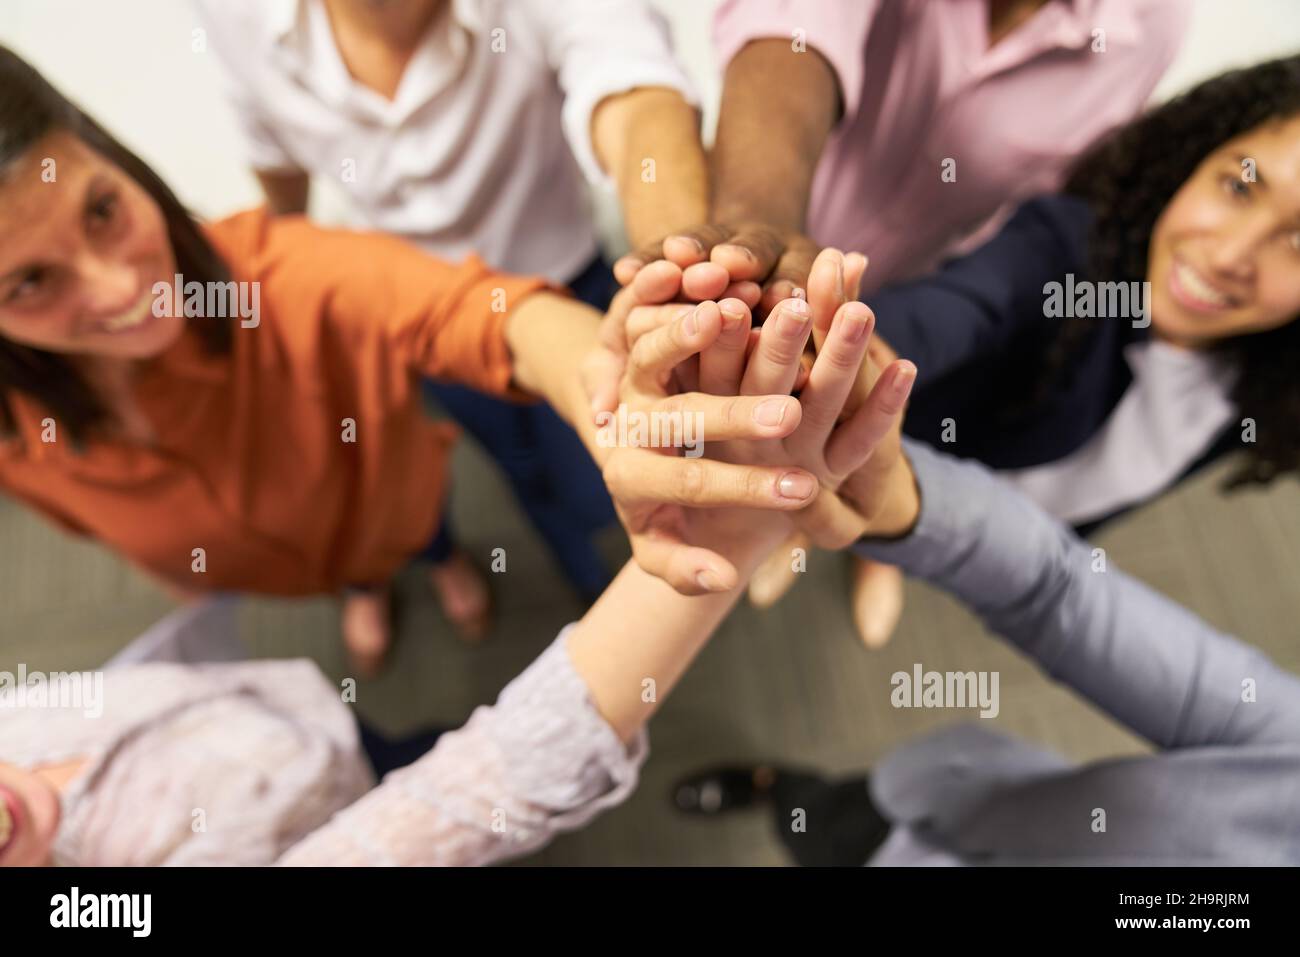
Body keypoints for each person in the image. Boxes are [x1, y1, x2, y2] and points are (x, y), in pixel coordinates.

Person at [0, 273, 919, 866]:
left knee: (406, 713)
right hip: (335, 814)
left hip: (310, 722)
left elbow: (422, 301)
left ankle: (408, 583)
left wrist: (600, 380)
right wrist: (724, 533)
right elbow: (485, 781)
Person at [0, 45, 815, 676]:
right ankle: (365, 586)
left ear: (116, 157)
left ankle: (439, 560)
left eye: (103, 210)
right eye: (30, 281)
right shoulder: (14, 443)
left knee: (426, 534)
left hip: (397, 503)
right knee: (365, 572)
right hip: (276, 570)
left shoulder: (278, 274)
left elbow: (471, 311)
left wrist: (611, 384)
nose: (117, 289)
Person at [606, 0, 1191, 646]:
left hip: (926, 285)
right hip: (776, 213)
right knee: (774, 421)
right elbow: (794, 30)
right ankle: (784, 522)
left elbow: (1057, 204)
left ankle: (873, 543)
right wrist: (759, 219)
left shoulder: (1147, 29)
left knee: (875, 430)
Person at [193, 0, 717, 625]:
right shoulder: (233, 15)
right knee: (519, 468)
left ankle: (612, 570)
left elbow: (639, 101)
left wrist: (684, 286)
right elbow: (270, 147)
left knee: (611, 471)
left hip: (562, 278)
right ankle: (584, 577)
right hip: (414, 305)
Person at [670, 441, 1300, 866]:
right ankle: (772, 786)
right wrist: (895, 498)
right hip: (935, 812)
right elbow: (1055, 591)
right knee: (815, 818)